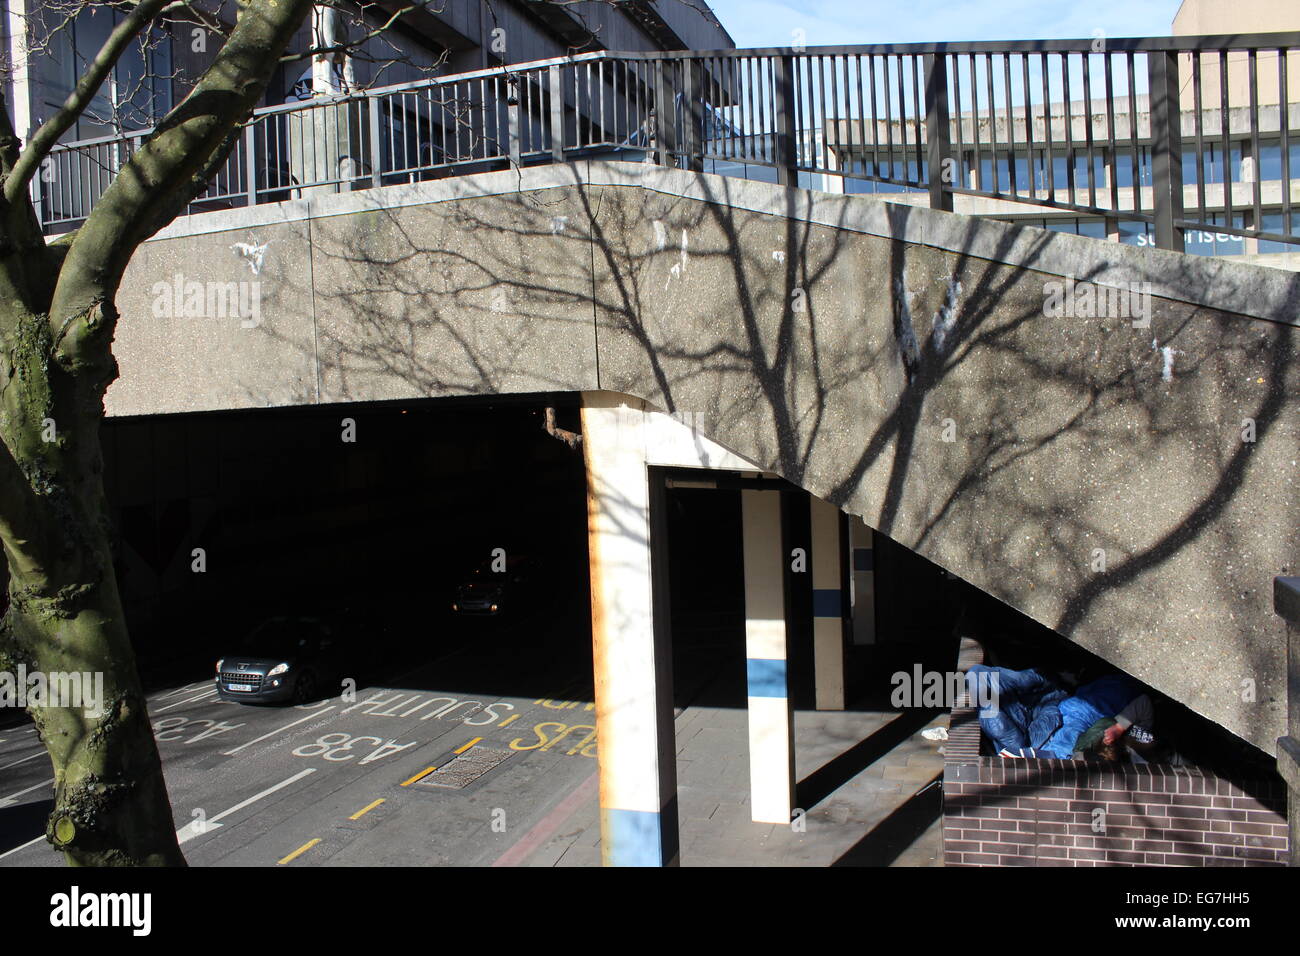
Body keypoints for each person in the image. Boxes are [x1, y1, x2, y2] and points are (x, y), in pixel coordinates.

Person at [967, 665, 1155, 760]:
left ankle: (1018, 757)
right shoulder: (1118, 685)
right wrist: (1120, 727)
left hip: (1055, 744)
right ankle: (1018, 756)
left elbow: (1143, 704)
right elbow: (1143, 704)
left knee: (1000, 729)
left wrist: (1119, 727)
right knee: (979, 674)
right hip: (1050, 713)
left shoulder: (1129, 693)